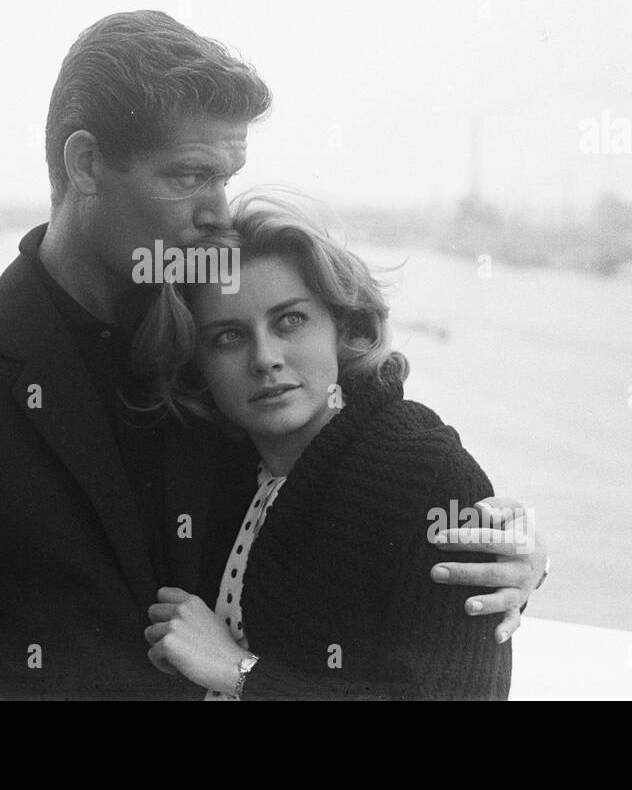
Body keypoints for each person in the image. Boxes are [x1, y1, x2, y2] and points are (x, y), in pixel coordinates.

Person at [0, 10, 547, 699]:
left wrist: (502, 544)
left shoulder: (217, 335)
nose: (218, 211)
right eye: (189, 177)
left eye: (226, 177)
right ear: (84, 166)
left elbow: (366, 432)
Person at [136, 191, 513, 699]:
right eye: (228, 337)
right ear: (197, 364)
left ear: (344, 326)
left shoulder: (431, 476)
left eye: (290, 320)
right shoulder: (217, 468)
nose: (265, 358)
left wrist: (238, 670)